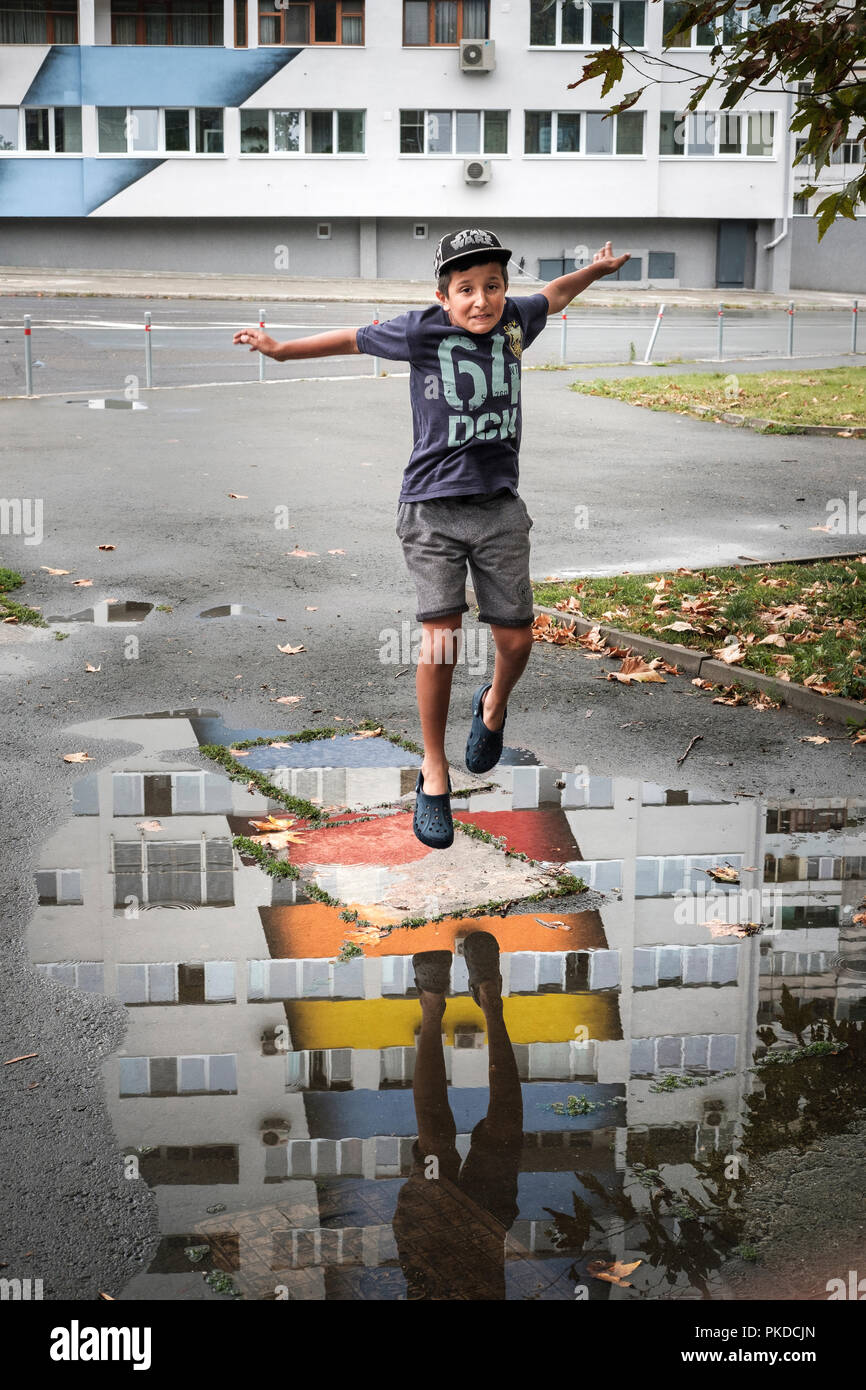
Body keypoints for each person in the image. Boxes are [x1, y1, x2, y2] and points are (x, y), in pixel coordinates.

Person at [234, 230, 628, 849]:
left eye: (492, 286)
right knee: (441, 638)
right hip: (431, 510)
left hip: (499, 509)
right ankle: (434, 770)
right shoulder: (421, 332)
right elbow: (351, 339)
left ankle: (493, 706)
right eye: (465, 289)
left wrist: (595, 271)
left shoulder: (517, 322)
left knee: (518, 640)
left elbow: (555, 292)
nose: (481, 300)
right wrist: (280, 351)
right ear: (443, 296)